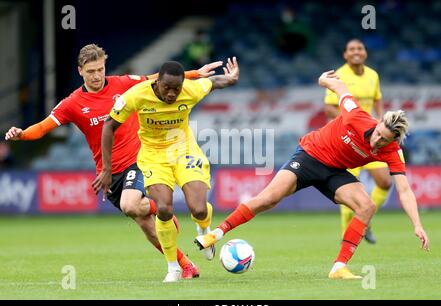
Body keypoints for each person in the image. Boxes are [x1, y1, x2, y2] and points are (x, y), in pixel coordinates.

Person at [5, 44, 222, 280]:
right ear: (80, 71)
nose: (96, 75)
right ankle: (184, 263)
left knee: (131, 205)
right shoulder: (72, 103)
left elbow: (155, 79)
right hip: (109, 171)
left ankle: (159, 209)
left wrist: (194, 73)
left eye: (100, 69)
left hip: (139, 159)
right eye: (90, 71)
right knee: (142, 221)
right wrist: (22, 134)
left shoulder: (123, 84)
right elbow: (43, 127)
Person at [195, 70, 429, 280]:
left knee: (366, 206)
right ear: (377, 124)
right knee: (268, 199)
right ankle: (215, 234)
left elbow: (404, 189)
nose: (376, 140)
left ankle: (339, 267)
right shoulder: (356, 115)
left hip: (335, 171)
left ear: (393, 141)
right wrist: (323, 79)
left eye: (383, 139)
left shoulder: (393, 151)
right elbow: (339, 87)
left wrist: (417, 225)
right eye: (378, 133)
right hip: (310, 156)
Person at [95, 57, 240, 282]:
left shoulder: (191, 90)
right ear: (157, 83)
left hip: (185, 151)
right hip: (153, 157)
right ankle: (173, 266)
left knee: (199, 209)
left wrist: (230, 79)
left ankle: (204, 230)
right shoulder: (136, 95)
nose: (172, 94)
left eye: (176, 89)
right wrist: (106, 168)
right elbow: (109, 126)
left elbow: (214, 83)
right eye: (167, 88)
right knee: (163, 209)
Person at [324, 39, 389, 244]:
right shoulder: (339, 75)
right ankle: (348, 235)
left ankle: (365, 220)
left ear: (365, 53)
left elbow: (377, 99)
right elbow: (329, 108)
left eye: (359, 48)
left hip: (372, 140)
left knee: (385, 182)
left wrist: (380, 119)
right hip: (349, 141)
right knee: (348, 191)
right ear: (345, 54)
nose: (356, 52)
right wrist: (353, 122)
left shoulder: (373, 75)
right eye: (351, 49)